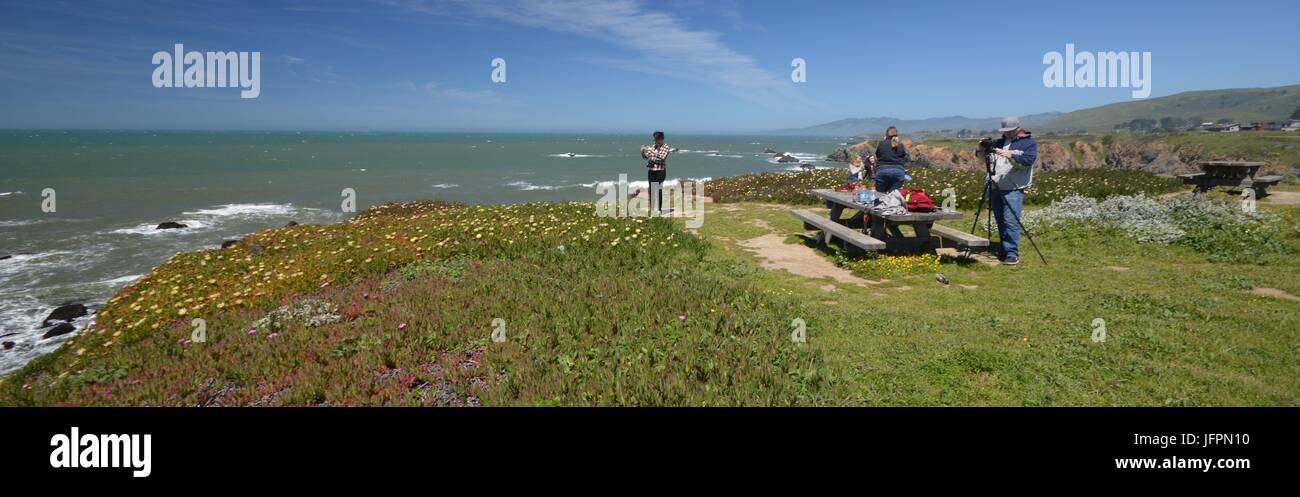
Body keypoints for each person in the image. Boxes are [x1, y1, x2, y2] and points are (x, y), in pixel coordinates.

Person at [975, 117, 1038, 265]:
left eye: (1009, 131)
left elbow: (1028, 161)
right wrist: (982, 147)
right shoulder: (998, 142)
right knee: (1001, 221)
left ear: (1018, 129)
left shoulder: (1028, 143)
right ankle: (1004, 249)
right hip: (996, 186)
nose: (1007, 134)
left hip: (1014, 188)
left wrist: (1011, 155)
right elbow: (981, 159)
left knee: (1011, 221)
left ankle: (1011, 253)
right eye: (1005, 131)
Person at [640, 131, 671, 214]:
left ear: (661, 139)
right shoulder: (653, 147)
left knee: (658, 190)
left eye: (656, 139)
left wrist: (652, 151)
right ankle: (652, 208)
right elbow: (646, 157)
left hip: (660, 171)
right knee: (651, 190)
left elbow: (662, 157)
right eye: (654, 139)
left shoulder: (665, 147)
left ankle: (659, 209)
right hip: (651, 171)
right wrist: (642, 152)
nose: (654, 141)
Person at [871, 126, 908, 193]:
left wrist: (885, 141)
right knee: (894, 196)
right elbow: (904, 157)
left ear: (886, 135)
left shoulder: (882, 144)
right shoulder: (900, 145)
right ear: (897, 135)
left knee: (880, 195)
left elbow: (878, 155)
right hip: (898, 172)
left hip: (882, 170)